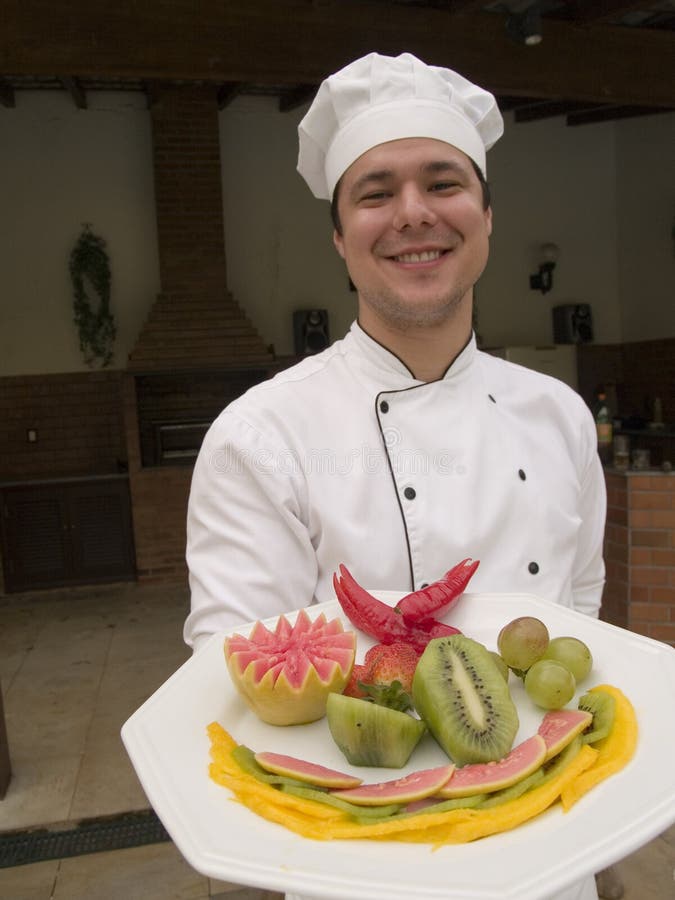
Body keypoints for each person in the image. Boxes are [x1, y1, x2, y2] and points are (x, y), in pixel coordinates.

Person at [185, 52, 608, 900]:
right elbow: (236, 685)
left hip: (551, 851)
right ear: (340, 237)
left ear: (486, 216)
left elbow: (579, 604)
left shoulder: (559, 414)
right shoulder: (261, 437)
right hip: (356, 865)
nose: (413, 214)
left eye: (442, 183)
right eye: (375, 192)